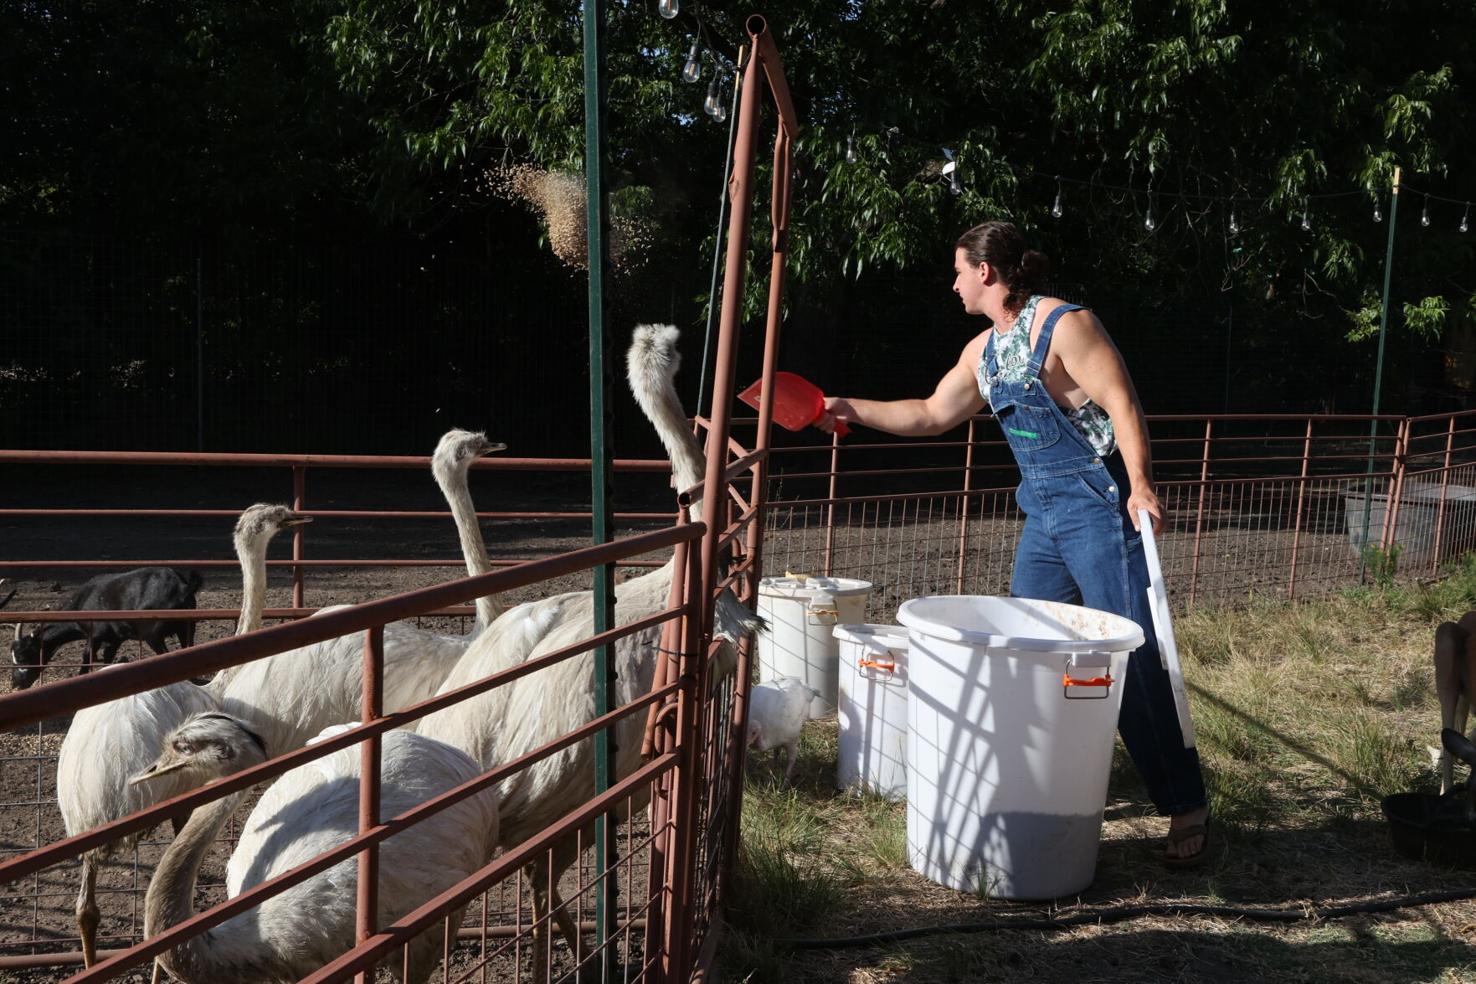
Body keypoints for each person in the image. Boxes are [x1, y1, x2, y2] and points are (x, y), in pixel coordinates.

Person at [818, 219, 1211, 867]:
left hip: (1100, 508)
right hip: (1045, 518)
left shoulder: (1065, 325)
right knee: (1028, 653)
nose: (952, 284)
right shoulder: (983, 351)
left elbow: (1123, 404)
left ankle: (1184, 802)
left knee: (1133, 654)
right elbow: (929, 413)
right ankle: (1048, 782)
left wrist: (1140, 485)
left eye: (958, 271)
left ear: (987, 272)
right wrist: (851, 407)